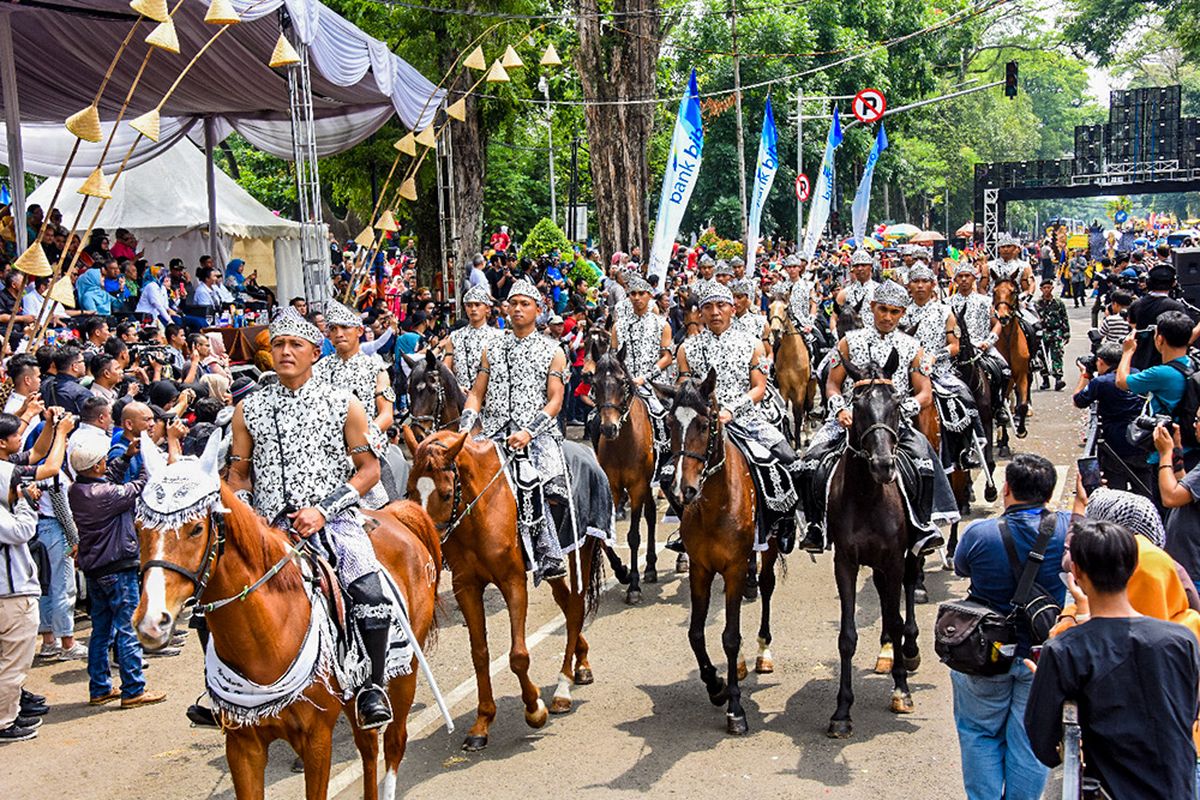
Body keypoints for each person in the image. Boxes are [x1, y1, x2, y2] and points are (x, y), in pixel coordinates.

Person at [230, 309, 397, 728]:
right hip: (268, 527)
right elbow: (239, 475)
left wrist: (323, 510)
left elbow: (369, 471)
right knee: (213, 596)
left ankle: (372, 687)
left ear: (314, 352)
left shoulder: (343, 403)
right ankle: (225, 689)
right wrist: (246, 516)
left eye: (295, 345)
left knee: (369, 593)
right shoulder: (248, 408)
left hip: (333, 521)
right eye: (278, 344)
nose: (285, 351)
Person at [1024, 519, 1200, 800]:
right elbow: (1187, 713)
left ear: (1076, 572)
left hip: (1111, 790)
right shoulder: (1182, 640)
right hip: (1179, 789)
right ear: (1132, 567)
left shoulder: (1065, 650)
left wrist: (1047, 689)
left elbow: (1044, 745)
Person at [798, 280, 950, 555]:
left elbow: (925, 393)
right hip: (850, 419)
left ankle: (922, 525)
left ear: (902, 313)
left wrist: (901, 410)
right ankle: (816, 525)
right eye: (883, 309)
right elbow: (832, 384)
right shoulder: (848, 342)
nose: (888, 317)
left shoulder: (912, 347)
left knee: (924, 460)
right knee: (810, 460)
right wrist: (839, 408)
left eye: (894, 312)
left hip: (893, 423)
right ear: (872, 307)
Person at [950, 453, 1071, 800]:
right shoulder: (1066, 529)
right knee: (1030, 737)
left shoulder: (980, 533)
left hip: (984, 651)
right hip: (1040, 653)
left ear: (1006, 489)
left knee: (978, 732)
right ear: (1049, 493)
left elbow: (961, 568)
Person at [457, 278, 569, 582]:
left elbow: (555, 400)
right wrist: (464, 430)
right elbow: (476, 393)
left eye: (525, 304)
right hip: (492, 431)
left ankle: (548, 551)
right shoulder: (491, 347)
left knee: (542, 483)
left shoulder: (553, 350)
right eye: (513, 303)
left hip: (536, 434)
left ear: (538, 310)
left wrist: (529, 432)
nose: (517, 308)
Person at [68, 430, 165, 709]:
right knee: (128, 628)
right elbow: (141, 484)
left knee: (101, 631)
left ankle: (99, 687)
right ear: (95, 466)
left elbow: (108, 477)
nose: (105, 464)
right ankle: (133, 689)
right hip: (118, 568)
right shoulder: (107, 494)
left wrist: (125, 457)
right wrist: (146, 457)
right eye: (102, 461)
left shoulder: (78, 490)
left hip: (95, 568)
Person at [314, 299, 398, 505]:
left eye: (345, 327)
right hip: (325, 454)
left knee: (390, 509)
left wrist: (362, 440)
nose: (339, 333)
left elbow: (386, 415)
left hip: (367, 453)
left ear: (359, 331)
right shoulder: (317, 370)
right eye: (333, 329)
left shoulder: (376, 369)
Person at [1116, 310, 1196, 474]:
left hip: (1167, 453)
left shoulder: (1161, 373)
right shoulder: (1193, 363)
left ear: (1160, 339)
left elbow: (1121, 382)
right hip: (1192, 446)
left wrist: (1127, 351)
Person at [610, 271, 674, 474]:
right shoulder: (618, 326)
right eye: (633, 294)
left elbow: (667, 357)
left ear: (649, 295)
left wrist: (644, 378)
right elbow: (613, 357)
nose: (637, 298)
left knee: (667, 416)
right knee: (597, 416)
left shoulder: (661, 324)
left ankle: (667, 464)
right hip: (624, 384)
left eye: (641, 293)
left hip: (654, 385)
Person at [0, 469, 44, 742]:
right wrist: (25, 503)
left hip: (9, 593)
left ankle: (11, 712)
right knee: (14, 664)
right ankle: (4, 722)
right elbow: (22, 531)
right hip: (11, 595)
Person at [1072, 342, 1147, 493]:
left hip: (1113, 444)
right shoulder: (1137, 374)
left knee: (1115, 492)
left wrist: (1085, 374)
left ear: (1100, 361)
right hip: (1140, 440)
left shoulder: (1101, 382)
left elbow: (1077, 400)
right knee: (1145, 490)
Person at [443, 283, 505, 392]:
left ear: (487, 308)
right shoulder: (455, 337)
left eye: (477, 305)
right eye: (469, 305)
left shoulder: (498, 336)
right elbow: (446, 369)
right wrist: (456, 388)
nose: (473, 309)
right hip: (462, 395)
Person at [1127, 264, 1190, 370]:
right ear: (1173, 283)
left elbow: (1133, 327)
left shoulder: (1135, 305)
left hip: (1138, 362)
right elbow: (1185, 337)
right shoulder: (1176, 307)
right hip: (1165, 365)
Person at [1033, 278, 1069, 391]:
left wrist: (1066, 333)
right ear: (1041, 289)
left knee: (1057, 355)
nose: (1046, 290)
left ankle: (1058, 379)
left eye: (1048, 287)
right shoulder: (1037, 304)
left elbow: (1064, 317)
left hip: (1056, 331)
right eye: (1044, 288)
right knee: (1042, 356)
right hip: (1042, 332)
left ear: (1052, 288)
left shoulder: (1058, 303)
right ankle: (1045, 379)